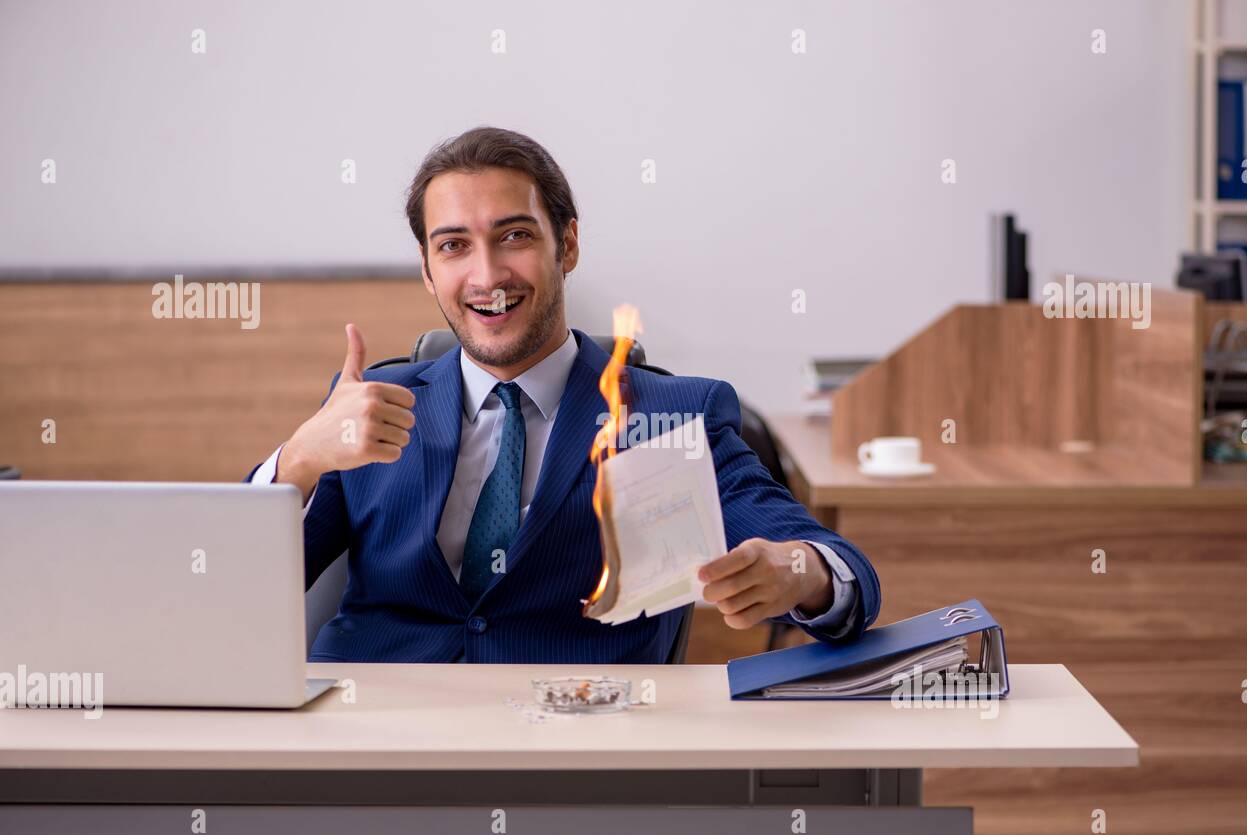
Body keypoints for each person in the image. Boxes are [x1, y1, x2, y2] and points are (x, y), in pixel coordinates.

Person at [246, 127, 881, 663]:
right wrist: (300, 460)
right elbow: (235, 591)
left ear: (567, 245)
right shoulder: (369, 405)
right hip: (367, 754)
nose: (487, 274)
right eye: (454, 246)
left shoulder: (670, 417)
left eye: (515, 236)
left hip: (573, 757)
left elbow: (843, 573)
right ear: (427, 268)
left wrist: (795, 570)